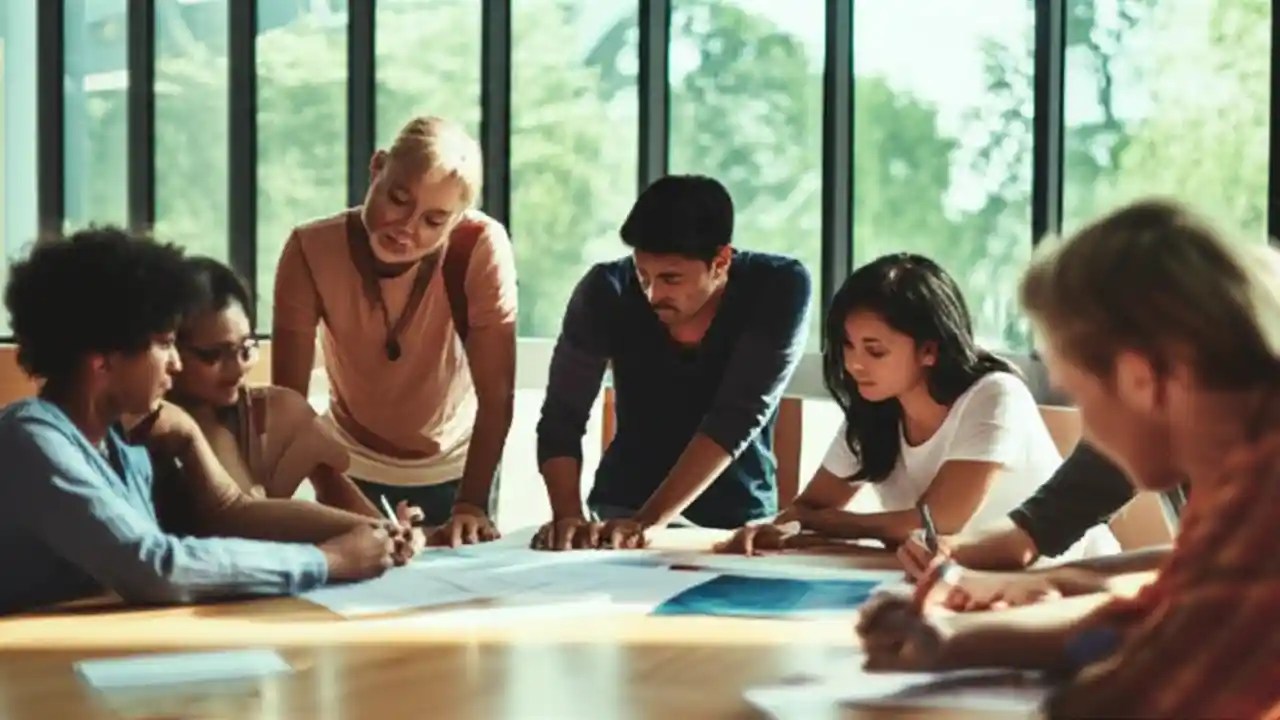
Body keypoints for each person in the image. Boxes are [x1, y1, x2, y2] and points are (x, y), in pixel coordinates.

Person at [856, 200, 1280, 719]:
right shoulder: (1239, 469)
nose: (1089, 428)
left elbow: (1139, 700)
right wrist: (953, 646)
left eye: (1080, 396)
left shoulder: (1267, 492)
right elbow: (1145, 626)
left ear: (1140, 377)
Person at [0, 227, 403, 615]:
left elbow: (229, 514)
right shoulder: (32, 440)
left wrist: (369, 536)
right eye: (163, 344)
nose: (174, 363)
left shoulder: (123, 448)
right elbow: (156, 566)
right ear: (102, 359)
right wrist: (328, 561)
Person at [717, 253, 1084, 556]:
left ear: (929, 349)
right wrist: (770, 528)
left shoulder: (995, 395)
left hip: (1064, 580)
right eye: (847, 345)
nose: (854, 364)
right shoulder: (876, 405)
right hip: (960, 581)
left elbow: (936, 523)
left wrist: (828, 524)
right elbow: (810, 507)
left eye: (875, 350)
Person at [272, 116, 516, 546]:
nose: (407, 228)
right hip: (347, 465)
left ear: (457, 220)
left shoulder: (480, 246)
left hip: (459, 471)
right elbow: (287, 404)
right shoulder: (310, 249)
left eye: (434, 220)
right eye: (398, 199)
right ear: (376, 168)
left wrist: (472, 505)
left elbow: (496, 398)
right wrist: (329, 485)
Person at [533, 175, 811, 550]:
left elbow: (737, 416)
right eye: (642, 274)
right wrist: (567, 517)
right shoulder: (607, 290)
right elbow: (561, 419)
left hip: (735, 521)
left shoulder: (778, 287)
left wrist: (649, 522)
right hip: (620, 509)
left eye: (671, 278)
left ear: (721, 261)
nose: (652, 293)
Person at [154, 256, 429, 542]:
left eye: (246, 348)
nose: (237, 368)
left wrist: (390, 530)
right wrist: (372, 531)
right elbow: (238, 515)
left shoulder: (276, 415)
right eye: (212, 355)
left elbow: (348, 503)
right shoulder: (138, 426)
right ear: (166, 348)